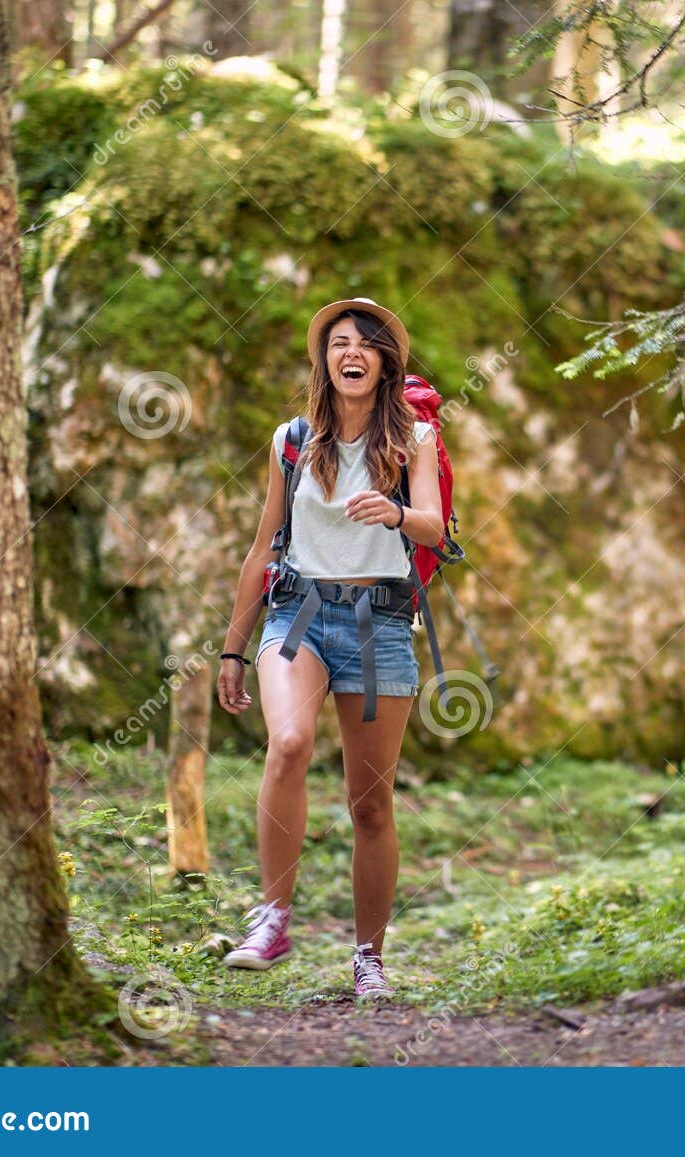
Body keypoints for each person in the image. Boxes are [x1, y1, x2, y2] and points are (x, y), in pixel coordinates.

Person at [215, 298, 442, 1001]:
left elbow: (434, 527)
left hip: (379, 624)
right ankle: (272, 918)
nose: (351, 352)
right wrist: (231, 649)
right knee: (286, 743)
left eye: (365, 345)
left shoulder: (415, 438)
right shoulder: (292, 440)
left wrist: (396, 511)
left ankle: (368, 958)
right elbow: (262, 549)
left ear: (383, 363)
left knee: (369, 807)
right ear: (325, 359)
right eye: (338, 342)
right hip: (299, 615)